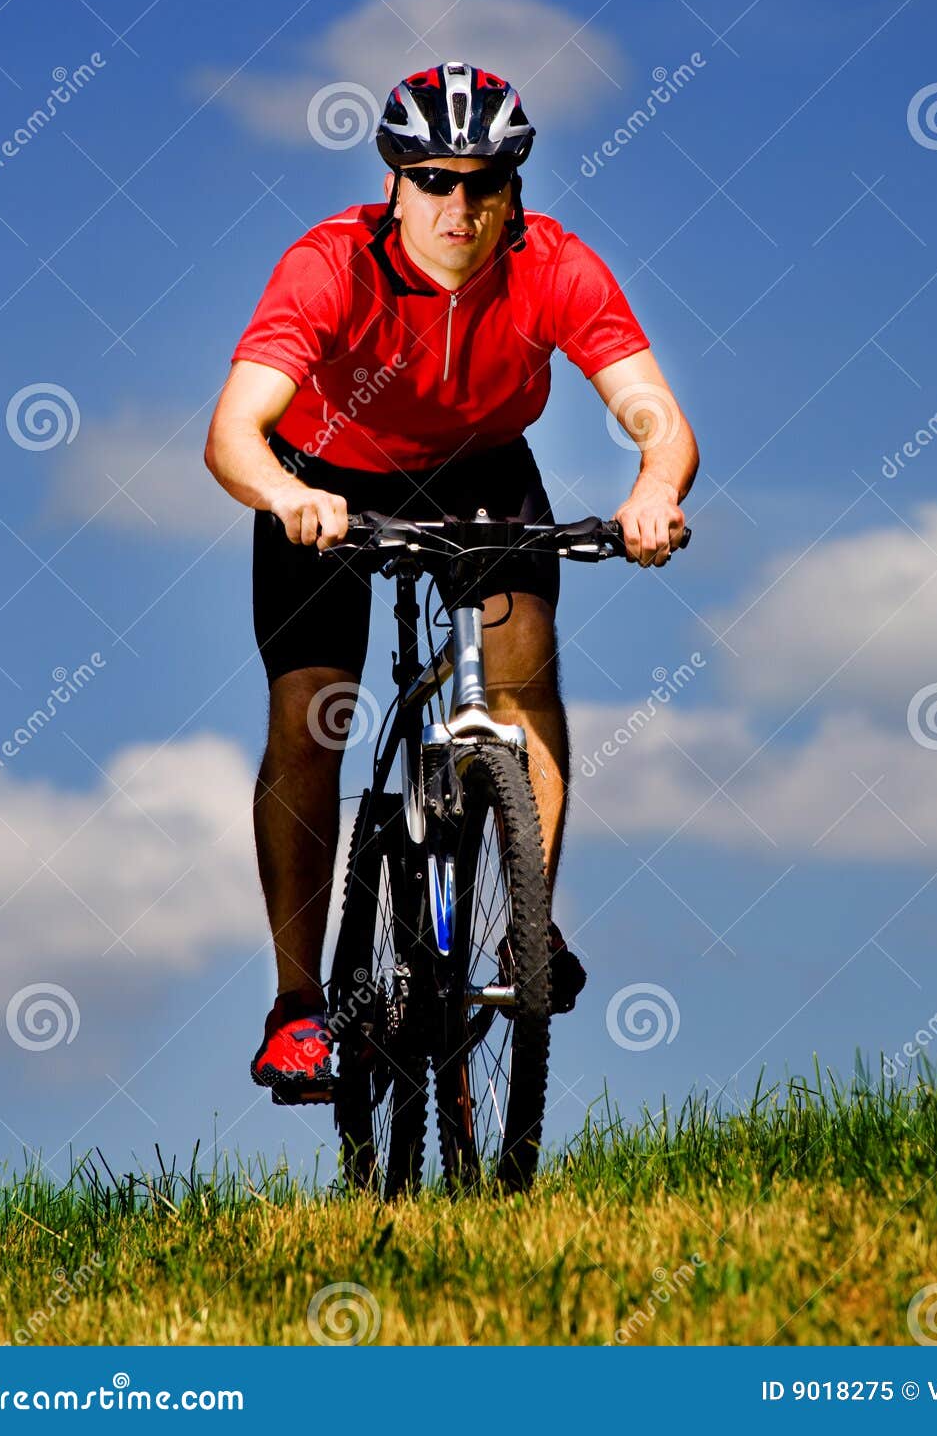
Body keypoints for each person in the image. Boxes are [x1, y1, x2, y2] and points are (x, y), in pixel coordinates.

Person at [205, 60, 698, 1105]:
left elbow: (651, 409)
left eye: (482, 181)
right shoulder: (328, 265)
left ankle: (522, 920)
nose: (458, 206)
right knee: (309, 715)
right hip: (323, 478)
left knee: (520, 677)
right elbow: (232, 432)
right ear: (393, 180)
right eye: (433, 179)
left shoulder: (553, 265)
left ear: (515, 187)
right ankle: (298, 1008)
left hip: (478, 474)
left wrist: (652, 488)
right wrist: (286, 494)